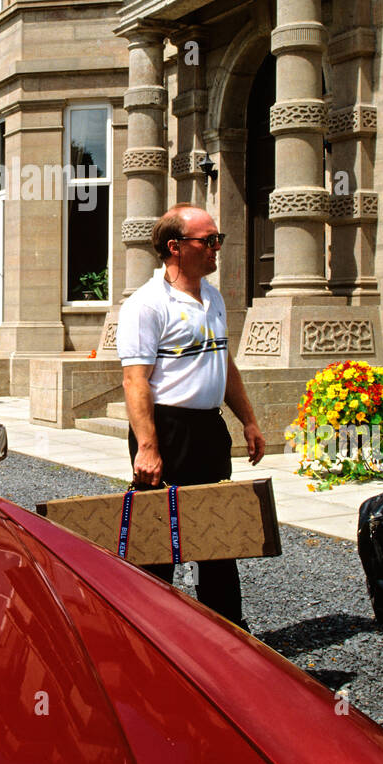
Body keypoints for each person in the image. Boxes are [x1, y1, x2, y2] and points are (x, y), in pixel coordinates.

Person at [117, 202, 265, 627]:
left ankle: (228, 632)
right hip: (167, 430)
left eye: (219, 239)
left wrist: (248, 420)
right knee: (158, 542)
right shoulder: (146, 305)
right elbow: (135, 381)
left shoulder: (213, 297)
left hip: (207, 429)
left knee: (217, 537)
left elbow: (225, 363)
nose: (217, 247)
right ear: (175, 247)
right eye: (209, 240)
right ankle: (147, 633)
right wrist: (147, 447)